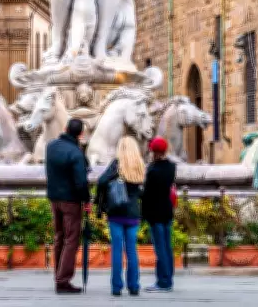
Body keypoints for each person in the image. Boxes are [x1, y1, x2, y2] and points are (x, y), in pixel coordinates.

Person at [96, 135, 145, 297]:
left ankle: (117, 287)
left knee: (117, 250)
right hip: (133, 214)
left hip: (116, 213)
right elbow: (143, 192)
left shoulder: (117, 165)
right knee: (132, 250)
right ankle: (134, 286)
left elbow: (101, 181)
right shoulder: (139, 165)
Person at [45, 118, 91, 294]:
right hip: (71, 201)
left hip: (54, 199)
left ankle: (58, 274)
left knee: (59, 236)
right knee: (71, 239)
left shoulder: (51, 147)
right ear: (80, 134)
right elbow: (81, 183)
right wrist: (86, 200)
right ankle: (63, 280)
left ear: (65, 128)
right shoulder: (76, 153)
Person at [142, 136, 176, 293]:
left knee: (160, 248)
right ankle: (169, 277)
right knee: (167, 246)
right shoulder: (171, 167)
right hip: (167, 211)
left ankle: (163, 281)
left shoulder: (152, 170)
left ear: (153, 152)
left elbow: (147, 194)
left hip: (155, 213)